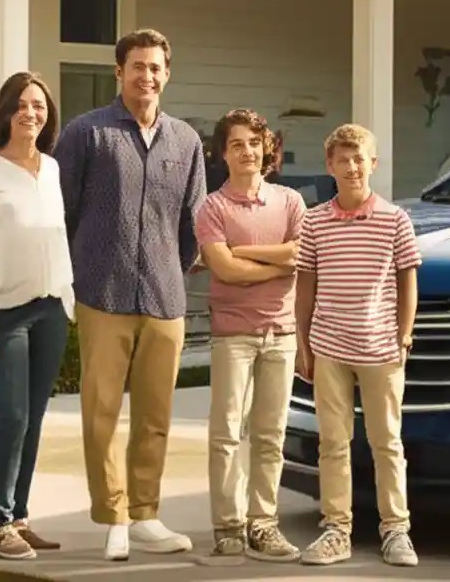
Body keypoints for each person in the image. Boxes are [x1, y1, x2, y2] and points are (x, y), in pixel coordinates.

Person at [54, 28, 206, 561]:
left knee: (156, 414)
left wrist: (174, 268)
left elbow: (193, 221)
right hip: (101, 291)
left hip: (165, 296)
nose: (147, 75)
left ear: (167, 73)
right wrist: (72, 278)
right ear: (119, 72)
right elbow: (61, 212)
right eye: (136, 66)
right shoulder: (86, 134)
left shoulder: (186, 141)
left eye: (155, 67)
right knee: (100, 411)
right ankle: (113, 514)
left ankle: (146, 514)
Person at [0, 72, 72, 561]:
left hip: (52, 309)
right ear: (5, 111)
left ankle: (20, 518)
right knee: (13, 417)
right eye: (21, 104)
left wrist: (70, 298)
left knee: (36, 419)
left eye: (39, 106)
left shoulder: (52, 167)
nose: (31, 113)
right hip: (2, 311)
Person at [294, 123, 421, 567]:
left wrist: (404, 334)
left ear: (373, 164)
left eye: (359, 158)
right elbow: (305, 284)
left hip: (381, 348)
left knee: (387, 442)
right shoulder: (314, 221)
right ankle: (336, 530)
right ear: (330, 165)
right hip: (329, 346)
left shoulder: (394, 220)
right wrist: (303, 342)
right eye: (342, 159)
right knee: (333, 442)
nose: (352, 167)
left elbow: (408, 279)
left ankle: (396, 530)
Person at [193, 109, 305, 564]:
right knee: (226, 434)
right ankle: (229, 526)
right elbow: (223, 269)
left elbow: (302, 253)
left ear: (266, 149)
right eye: (237, 144)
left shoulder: (290, 202)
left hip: (282, 332)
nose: (247, 151)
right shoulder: (212, 207)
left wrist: (247, 253)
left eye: (254, 143)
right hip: (233, 335)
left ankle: (264, 524)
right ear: (224, 153)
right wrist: (272, 265)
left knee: (270, 434)